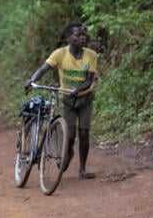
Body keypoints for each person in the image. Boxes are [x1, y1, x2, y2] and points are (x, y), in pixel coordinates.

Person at [25, 22, 98, 179]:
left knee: (84, 133)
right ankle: (68, 151)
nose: (82, 38)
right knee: (70, 135)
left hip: (85, 98)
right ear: (69, 38)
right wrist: (32, 79)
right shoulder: (59, 54)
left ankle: (82, 169)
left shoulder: (91, 55)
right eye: (78, 35)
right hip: (67, 100)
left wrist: (76, 90)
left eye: (83, 34)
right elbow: (44, 68)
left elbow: (89, 81)